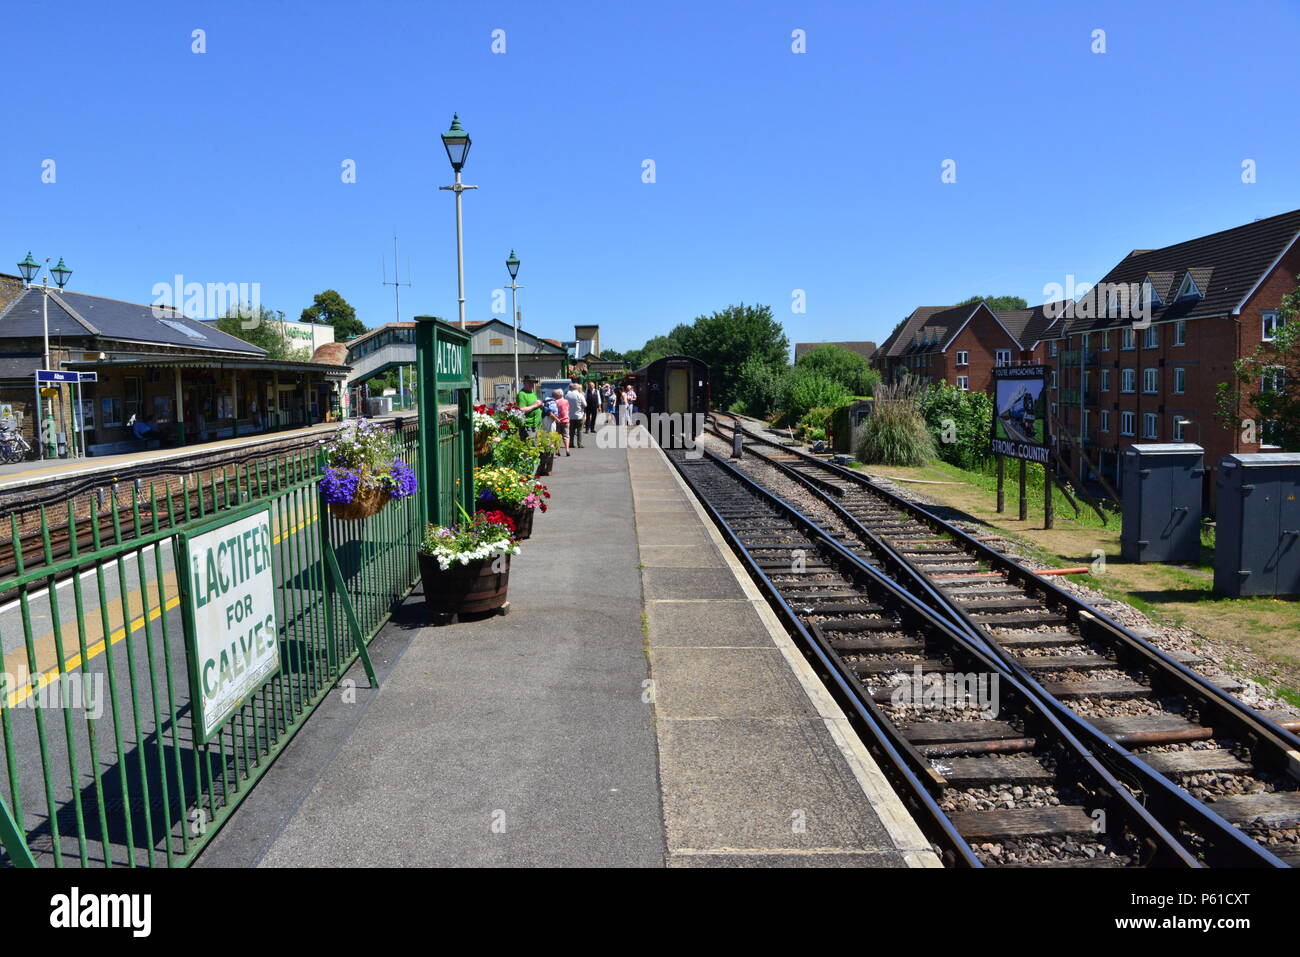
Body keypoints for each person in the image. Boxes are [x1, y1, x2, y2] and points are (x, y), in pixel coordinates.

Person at [565, 381, 587, 449]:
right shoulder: (580, 395)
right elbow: (585, 405)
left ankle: (571, 443)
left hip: (570, 416)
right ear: (577, 388)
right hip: (579, 416)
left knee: (571, 431)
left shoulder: (567, 395)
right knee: (579, 430)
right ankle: (579, 444)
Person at [550, 388, 571, 455]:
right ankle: (567, 450)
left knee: (558, 436)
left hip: (557, 421)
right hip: (566, 420)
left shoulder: (555, 402)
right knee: (566, 436)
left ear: (556, 396)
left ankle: (558, 450)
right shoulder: (566, 401)